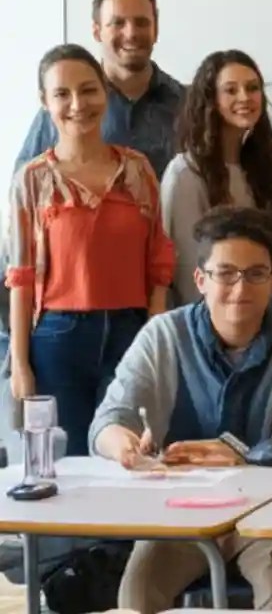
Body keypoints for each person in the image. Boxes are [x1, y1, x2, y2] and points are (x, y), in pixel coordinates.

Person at [88, 205, 272, 613]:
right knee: (137, 594)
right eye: (225, 274)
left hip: (269, 517)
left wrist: (239, 455)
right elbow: (109, 420)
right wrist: (123, 444)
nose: (240, 288)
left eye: (256, 274)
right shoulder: (164, 335)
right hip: (181, 511)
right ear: (200, 279)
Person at [6, 44, 174, 455]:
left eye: (88, 90)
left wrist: (153, 335)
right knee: (67, 461)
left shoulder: (137, 170)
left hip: (130, 333)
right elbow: (20, 277)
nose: (78, 105)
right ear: (45, 102)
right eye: (62, 94)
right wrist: (20, 365)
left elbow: (158, 262)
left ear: (105, 92)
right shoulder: (32, 179)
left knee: (128, 454)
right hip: (57, 338)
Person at [15, 0, 184, 178]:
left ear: (156, 30)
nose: (131, 33)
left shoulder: (187, 104)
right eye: (118, 23)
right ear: (97, 31)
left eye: (141, 22)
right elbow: (25, 184)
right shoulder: (66, 108)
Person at [162, 50, 272, 307]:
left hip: (270, 306)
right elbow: (188, 271)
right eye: (231, 90)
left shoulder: (260, 168)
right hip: (218, 316)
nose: (245, 97)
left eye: (252, 88)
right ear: (211, 100)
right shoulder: (186, 172)